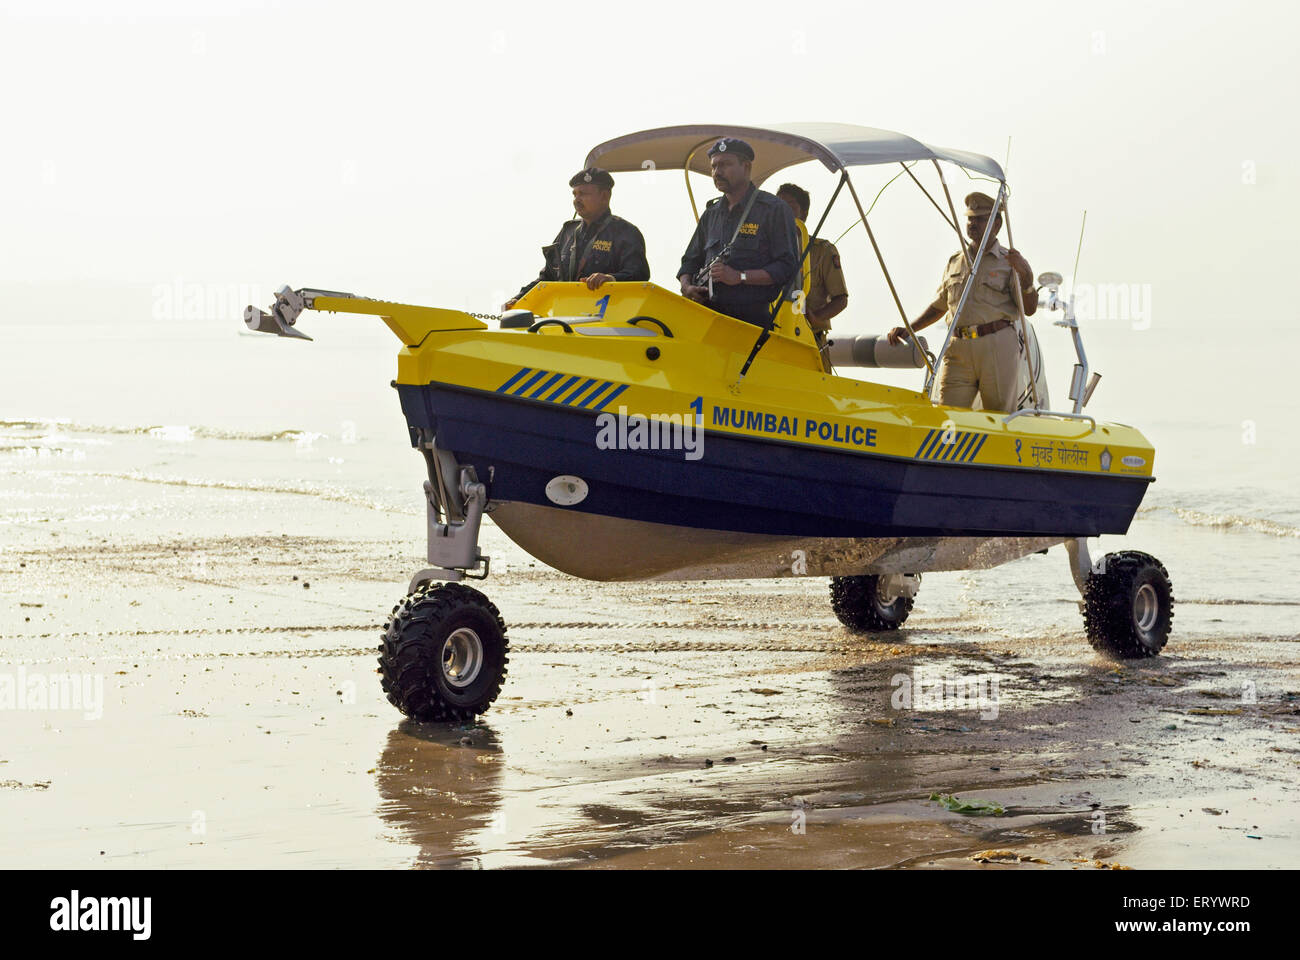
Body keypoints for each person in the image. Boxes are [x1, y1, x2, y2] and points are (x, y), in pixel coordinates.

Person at [887, 192, 1037, 412]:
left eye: (980, 219)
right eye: (970, 218)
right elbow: (941, 304)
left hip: (996, 346)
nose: (973, 223)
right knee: (947, 418)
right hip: (958, 348)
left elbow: (1030, 309)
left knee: (998, 418)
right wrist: (909, 329)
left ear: (996, 224)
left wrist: (1027, 278)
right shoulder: (955, 261)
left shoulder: (1010, 261)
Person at [677, 138, 799, 326]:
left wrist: (740, 277)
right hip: (707, 317)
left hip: (751, 321)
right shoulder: (711, 214)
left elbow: (786, 267)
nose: (717, 172)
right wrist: (687, 287)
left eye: (725, 165)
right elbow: (689, 262)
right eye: (714, 166)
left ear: (746, 167)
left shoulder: (773, 210)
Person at [504, 167, 649, 310]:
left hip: (608, 320)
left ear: (605, 196)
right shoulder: (568, 231)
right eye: (574, 194)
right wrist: (519, 298)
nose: (577, 200)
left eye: (583, 194)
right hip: (563, 319)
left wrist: (610, 279)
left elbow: (639, 273)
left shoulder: (625, 232)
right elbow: (548, 276)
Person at [777, 183, 847, 372]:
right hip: (774, 338)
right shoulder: (764, 248)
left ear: (804, 213)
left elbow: (841, 299)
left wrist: (817, 318)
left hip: (810, 341)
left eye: (789, 206)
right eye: (777, 206)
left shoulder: (822, 251)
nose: (782, 212)